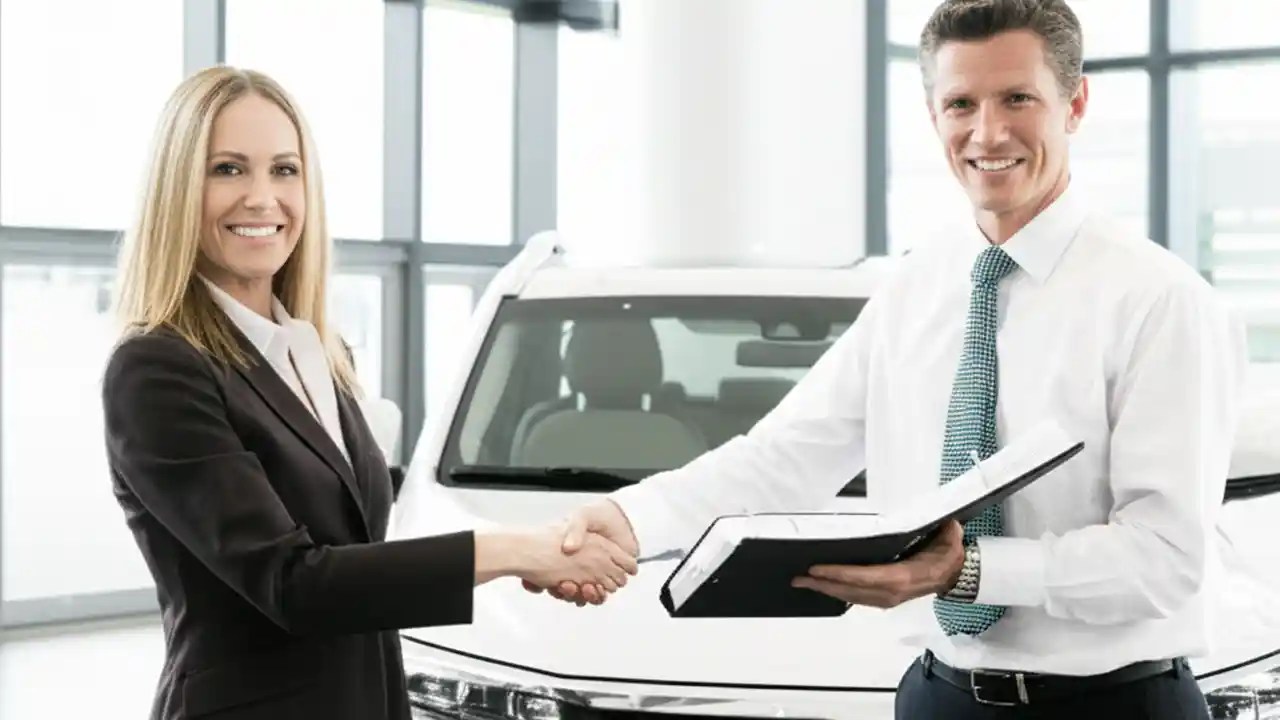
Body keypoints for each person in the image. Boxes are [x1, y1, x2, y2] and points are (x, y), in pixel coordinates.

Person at [531, 1, 1247, 718]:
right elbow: (785, 458)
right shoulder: (918, 286)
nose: (988, 132)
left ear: (1076, 104)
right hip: (938, 697)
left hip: (1112, 705)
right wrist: (629, 519)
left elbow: (1165, 559)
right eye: (961, 103)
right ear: (933, 115)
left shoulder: (1160, 300)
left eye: (1017, 99)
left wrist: (970, 571)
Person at [102, 65, 636, 720]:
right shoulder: (157, 370)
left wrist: (549, 532)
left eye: (284, 170)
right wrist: (518, 553)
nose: (262, 198)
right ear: (178, 190)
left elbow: (359, 508)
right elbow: (295, 585)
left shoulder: (315, 352)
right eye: (228, 169)